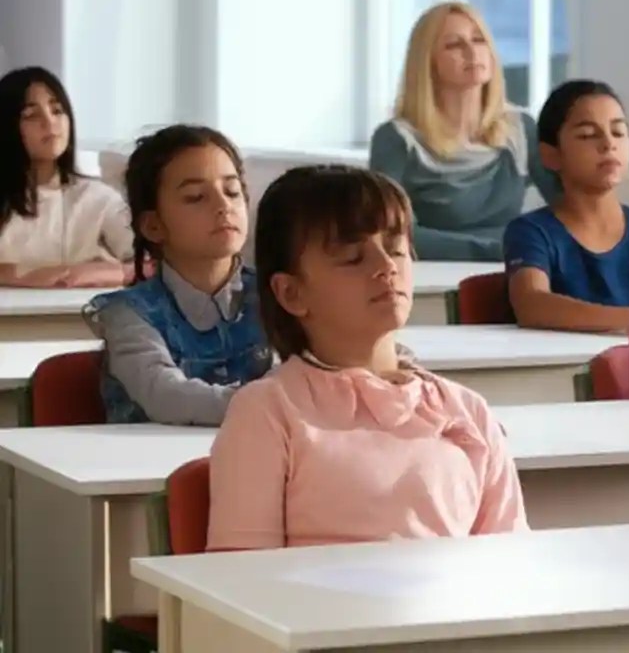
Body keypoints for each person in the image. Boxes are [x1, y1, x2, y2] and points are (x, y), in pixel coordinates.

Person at [207, 165, 527, 551]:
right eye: (352, 257)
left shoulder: (468, 410)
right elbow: (236, 581)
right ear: (291, 293)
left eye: (395, 249)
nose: (386, 267)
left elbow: (509, 564)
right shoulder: (268, 412)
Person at [84, 125, 272, 424]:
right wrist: (273, 407)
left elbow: (299, 377)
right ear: (153, 226)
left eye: (232, 192)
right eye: (196, 197)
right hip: (149, 468)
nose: (224, 206)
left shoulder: (277, 298)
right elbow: (168, 398)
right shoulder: (127, 314)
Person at [369, 1, 559, 261]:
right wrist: (491, 250)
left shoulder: (521, 128)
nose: (472, 52)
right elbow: (391, 233)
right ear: (427, 61)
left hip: (515, 268)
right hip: (436, 274)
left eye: (479, 40)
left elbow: (568, 208)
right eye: (454, 44)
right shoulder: (396, 139)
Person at [503, 80, 629, 332]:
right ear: (550, 155)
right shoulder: (532, 231)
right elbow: (531, 304)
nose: (608, 144)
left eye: (618, 132)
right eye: (587, 135)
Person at [0, 66, 133, 287]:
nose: (49, 122)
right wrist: (21, 275)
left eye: (57, 110)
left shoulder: (97, 198)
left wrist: (87, 273)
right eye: (31, 115)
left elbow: (152, 266)